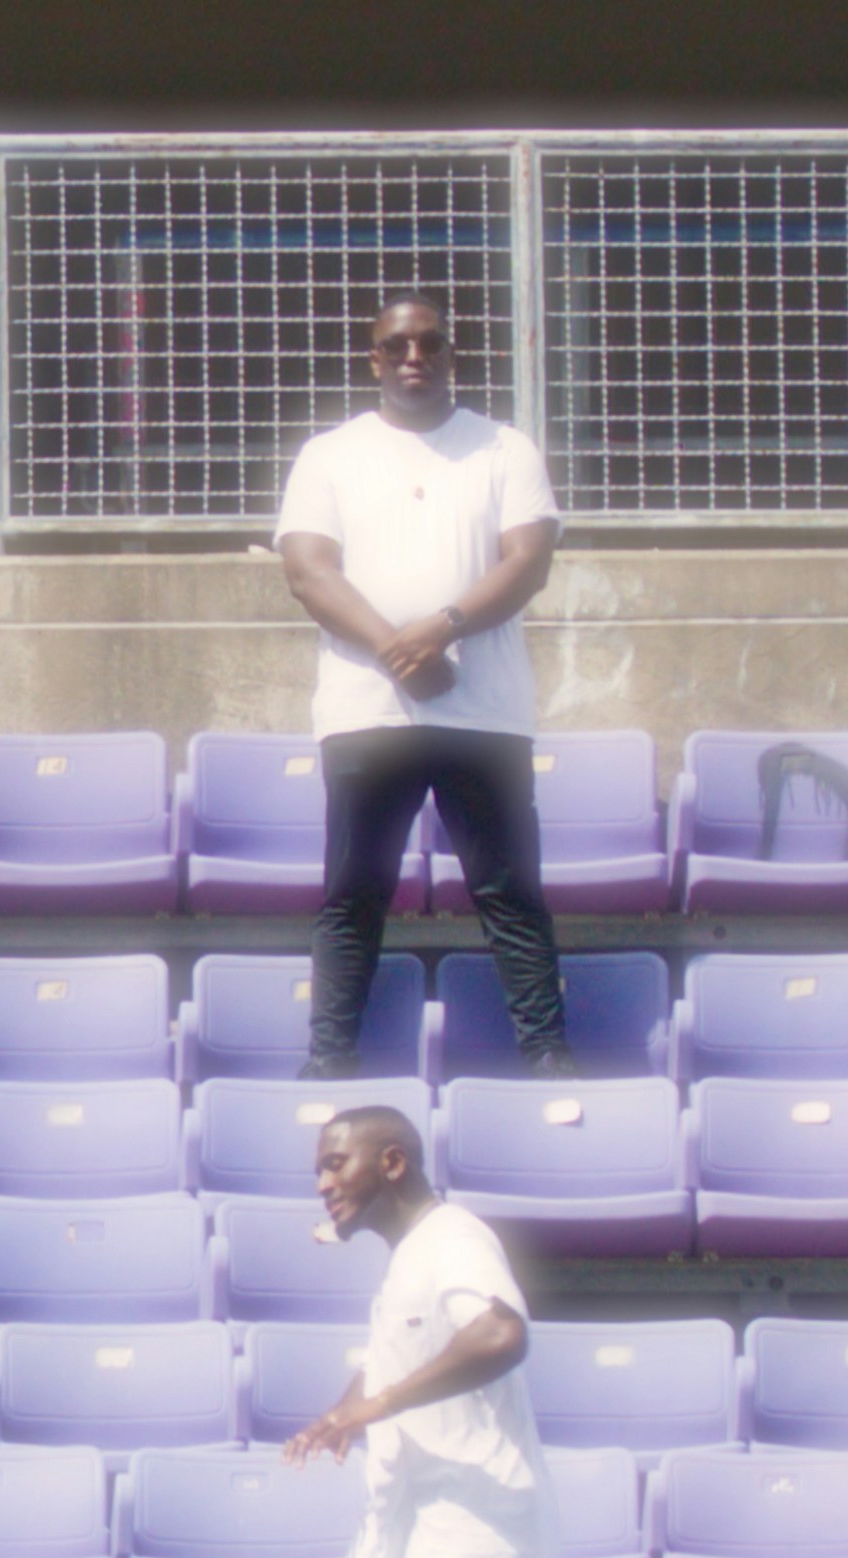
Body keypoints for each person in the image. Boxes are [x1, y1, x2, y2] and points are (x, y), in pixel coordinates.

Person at [277, 291, 571, 1078]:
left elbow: (528, 562)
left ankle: (549, 1059)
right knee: (354, 892)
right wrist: (398, 649)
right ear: (373, 358)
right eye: (398, 346)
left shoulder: (504, 449)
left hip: (486, 715)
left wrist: (443, 627)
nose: (416, 358)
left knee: (510, 894)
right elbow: (308, 572)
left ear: (452, 355)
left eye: (431, 345)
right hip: (368, 714)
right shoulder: (329, 455)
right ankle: (328, 1061)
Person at [277, 1106, 562, 1558]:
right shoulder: (406, 1260)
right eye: (319, 1170)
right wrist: (343, 1412)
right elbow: (395, 1361)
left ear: (393, 1163)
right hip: (389, 1552)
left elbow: (500, 1333)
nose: (322, 1184)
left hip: (464, 1548)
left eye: (335, 1164)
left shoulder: (453, 1237)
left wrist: (378, 1406)